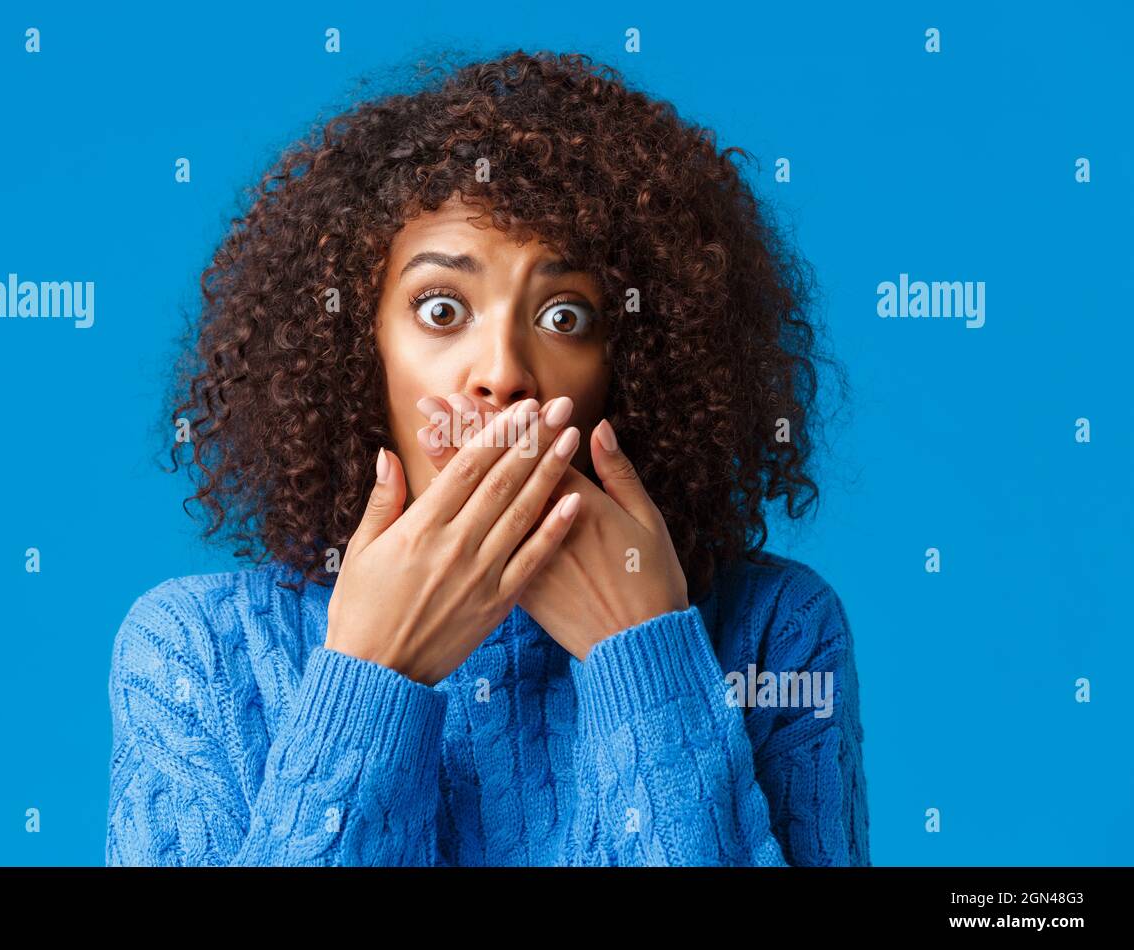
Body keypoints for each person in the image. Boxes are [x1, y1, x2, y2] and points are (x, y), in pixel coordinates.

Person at [106, 49, 868, 866]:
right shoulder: (195, 650)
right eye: (441, 309)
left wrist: (646, 656)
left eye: (565, 317)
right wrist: (368, 676)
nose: (502, 372)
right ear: (359, 354)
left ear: (633, 365)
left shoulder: (775, 631)